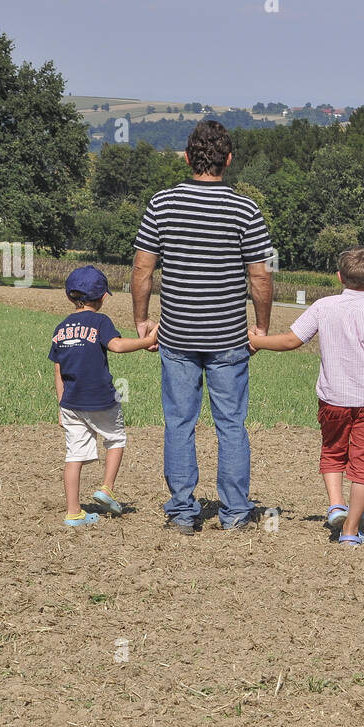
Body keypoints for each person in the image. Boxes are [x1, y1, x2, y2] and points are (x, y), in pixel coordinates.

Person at [130, 120, 275, 535]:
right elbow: (260, 278)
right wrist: (260, 327)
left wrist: (142, 320)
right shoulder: (246, 209)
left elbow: (143, 268)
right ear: (228, 160)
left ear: (189, 157)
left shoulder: (161, 204)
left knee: (179, 423)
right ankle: (233, 514)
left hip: (176, 334)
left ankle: (181, 513)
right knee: (230, 424)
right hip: (229, 336)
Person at [247, 247, 364, 546]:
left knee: (332, 450)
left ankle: (335, 504)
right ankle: (351, 531)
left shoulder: (323, 307)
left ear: (339, 276)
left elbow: (292, 340)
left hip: (333, 398)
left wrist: (258, 341)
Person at [49, 266, 158, 528]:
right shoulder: (100, 321)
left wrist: (61, 406)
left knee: (74, 456)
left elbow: (58, 370)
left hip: (71, 403)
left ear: (69, 296)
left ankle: (73, 513)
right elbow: (117, 346)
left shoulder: (61, 327)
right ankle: (106, 488)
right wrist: (148, 341)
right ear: (103, 297)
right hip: (100, 399)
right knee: (116, 438)